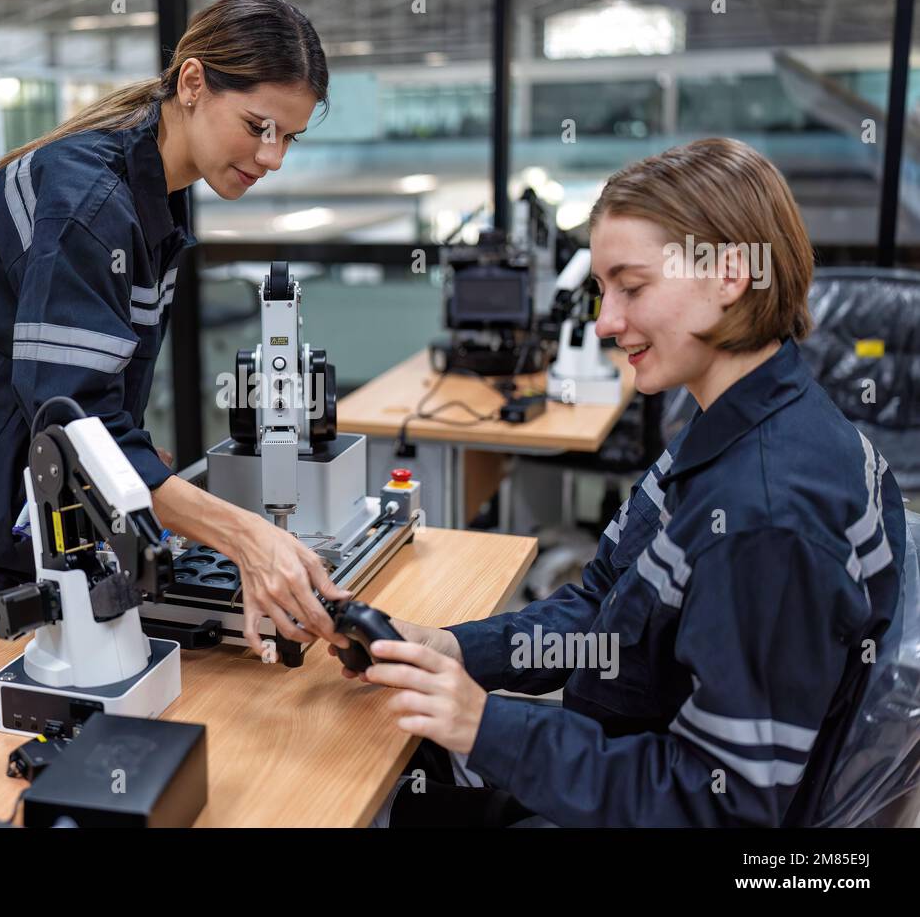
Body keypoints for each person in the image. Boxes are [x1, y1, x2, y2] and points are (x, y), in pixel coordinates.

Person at [336, 138, 907, 827]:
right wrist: (456, 649)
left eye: (632, 288)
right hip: (627, 753)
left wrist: (485, 726)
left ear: (729, 277)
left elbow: (722, 804)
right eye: (604, 291)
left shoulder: (765, 515)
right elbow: (602, 611)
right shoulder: (730, 425)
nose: (606, 323)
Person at [0, 0, 350, 680]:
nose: (272, 157)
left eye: (289, 137)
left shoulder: (156, 186)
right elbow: (73, 425)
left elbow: (89, 399)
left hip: (23, 512)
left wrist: (136, 464)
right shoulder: (91, 202)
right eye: (259, 126)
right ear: (193, 83)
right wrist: (248, 538)